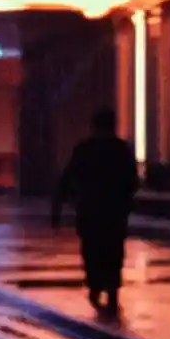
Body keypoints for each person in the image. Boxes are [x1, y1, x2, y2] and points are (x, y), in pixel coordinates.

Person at [52, 108, 138, 315]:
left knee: (91, 250)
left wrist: (58, 208)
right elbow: (132, 180)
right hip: (114, 212)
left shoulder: (85, 149)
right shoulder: (122, 149)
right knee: (114, 251)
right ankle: (112, 290)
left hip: (90, 211)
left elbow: (67, 177)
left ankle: (96, 285)